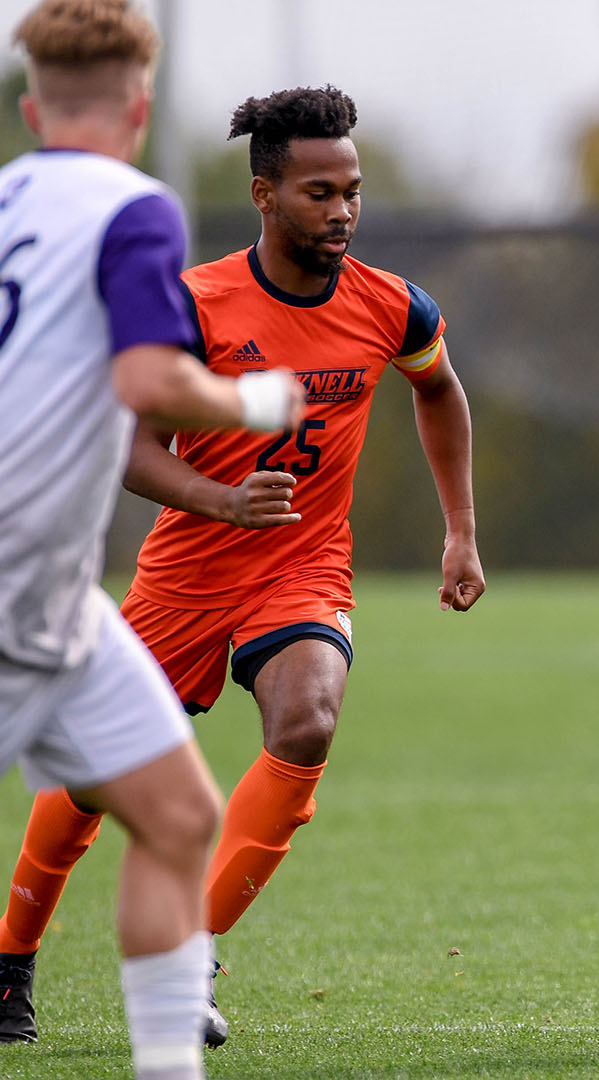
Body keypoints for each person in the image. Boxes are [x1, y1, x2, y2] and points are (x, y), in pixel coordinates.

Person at [0, 84, 484, 1046]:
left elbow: (440, 391)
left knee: (308, 722)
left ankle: (190, 949)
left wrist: (461, 529)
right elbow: (126, 445)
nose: (341, 211)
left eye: (352, 191)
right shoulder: (193, 307)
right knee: (90, 781)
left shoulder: (393, 305)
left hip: (303, 569)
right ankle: (10, 957)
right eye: (318, 193)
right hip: (186, 576)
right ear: (264, 195)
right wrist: (221, 498)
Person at [0, 2, 308, 1075]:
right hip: (18, 582)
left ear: (32, 109)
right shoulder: (132, 209)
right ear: (139, 109)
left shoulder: (7, 204)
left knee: (178, 814)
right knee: (170, 818)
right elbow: (148, 377)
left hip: (56, 602)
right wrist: (253, 400)